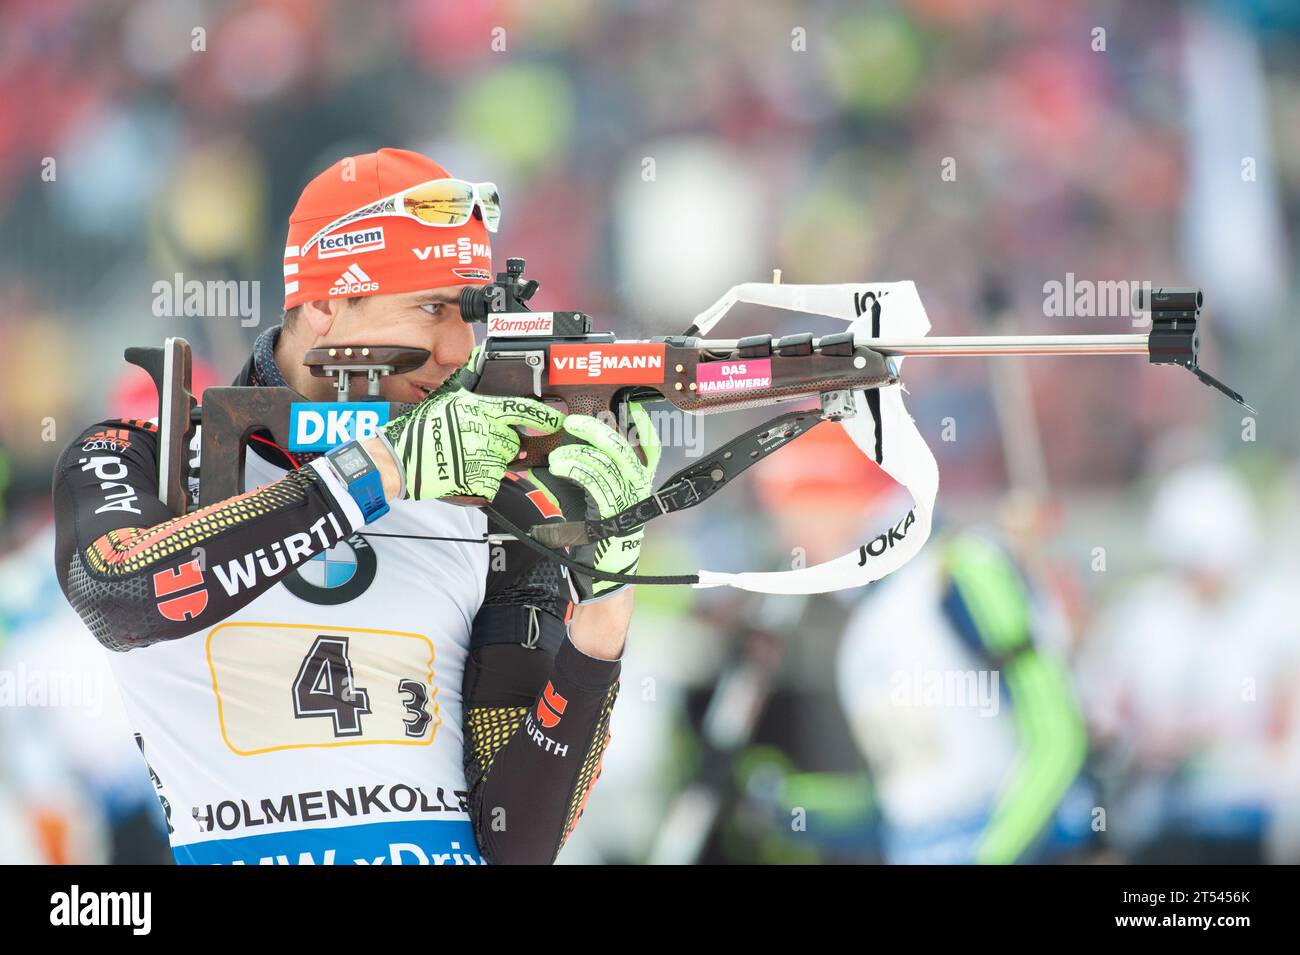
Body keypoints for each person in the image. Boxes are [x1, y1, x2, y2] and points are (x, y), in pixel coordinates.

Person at [51, 147, 660, 865]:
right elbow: (119, 589)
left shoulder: (485, 498)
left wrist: (605, 611)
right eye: (432, 308)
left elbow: (514, 840)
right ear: (326, 303)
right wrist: (378, 474)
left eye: (472, 313)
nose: (458, 348)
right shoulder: (143, 458)